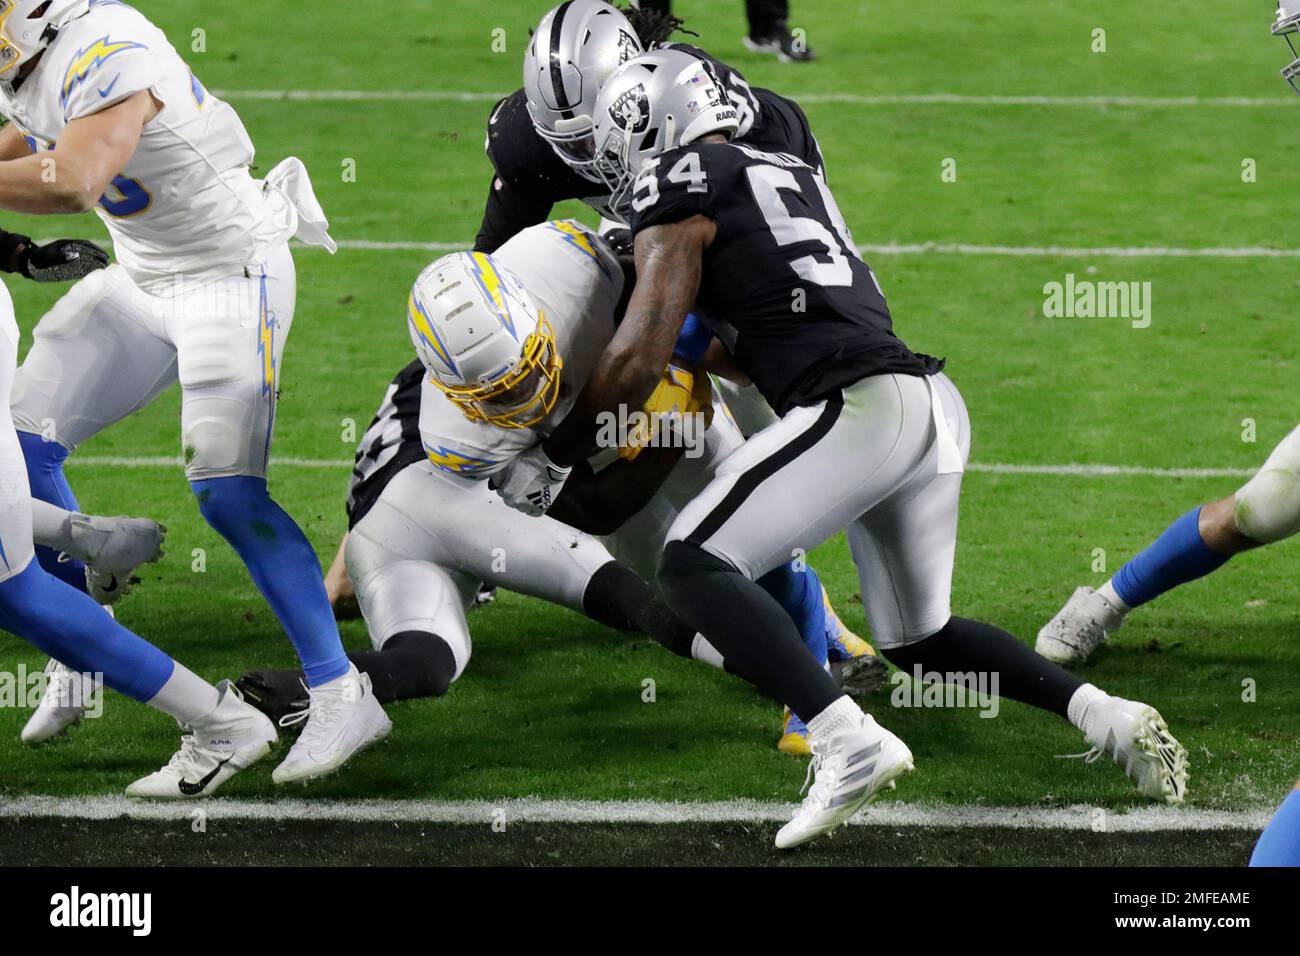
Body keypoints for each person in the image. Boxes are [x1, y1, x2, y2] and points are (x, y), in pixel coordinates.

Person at [491, 49, 1190, 848]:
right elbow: (746, 340)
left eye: (625, 135)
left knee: (691, 563)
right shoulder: (780, 166)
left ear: (660, 123)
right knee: (919, 639)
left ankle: (843, 737)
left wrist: (557, 457)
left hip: (861, 406)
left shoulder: (678, 180)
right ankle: (1106, 718)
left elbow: (642, 354)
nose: (620, 159)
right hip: (923, 407)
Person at [243, 221, 884, 756]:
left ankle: (814, 684)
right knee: (688, 583)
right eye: (500, 395)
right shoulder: (454, 436)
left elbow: (677, 295)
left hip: (655, 399)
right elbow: (484, 517)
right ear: (450, 389)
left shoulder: (573, 269)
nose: (526, 398)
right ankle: (804, 640)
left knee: (743, 530)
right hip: (594, 474)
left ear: (530, 313)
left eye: (525, 373)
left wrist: (711, 362)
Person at [0, 0, 389, 781]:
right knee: (22, 436)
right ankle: (83, 633)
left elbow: (75, 176)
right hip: (144, 278)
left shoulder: (110, 45)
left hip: (230, 274)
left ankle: (341, 689)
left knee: (226, 491)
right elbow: (27, 135)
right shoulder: (33, 60)